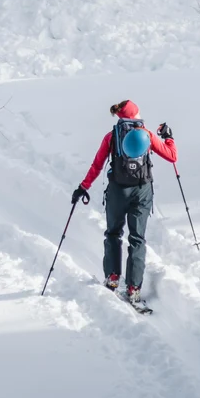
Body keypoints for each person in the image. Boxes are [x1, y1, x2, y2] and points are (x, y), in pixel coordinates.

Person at [71, 99, 175, 306]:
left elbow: (97, 165)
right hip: (142, 191)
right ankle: (134, 288)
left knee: (113, 233)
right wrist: (169, 138)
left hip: (117, 191)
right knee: (137, 238)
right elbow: (172, 156)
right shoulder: (146, 134)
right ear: (135, 114)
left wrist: (83, 187)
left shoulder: (111, 136)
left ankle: (112, 277)